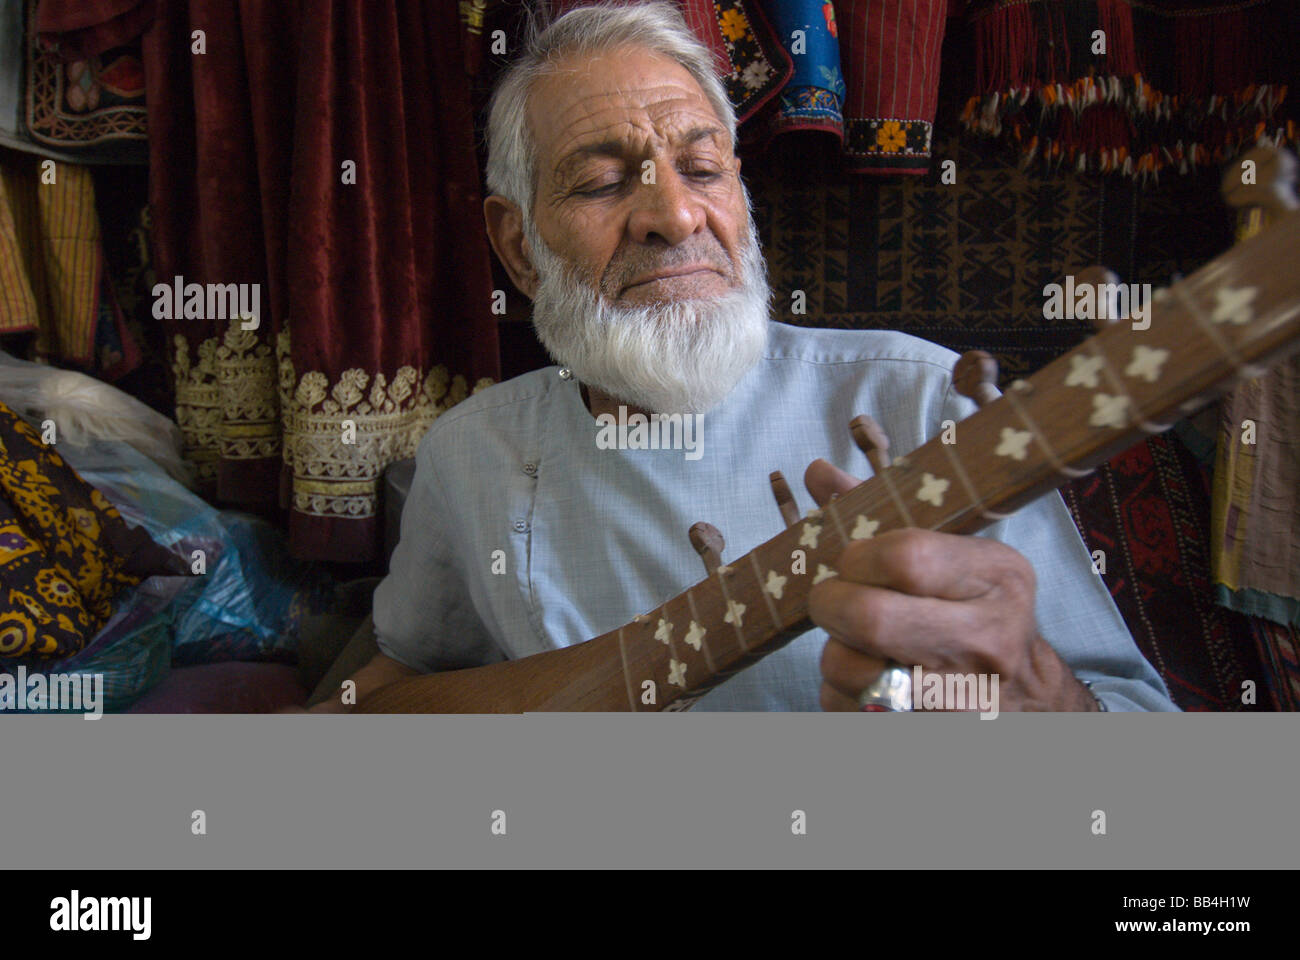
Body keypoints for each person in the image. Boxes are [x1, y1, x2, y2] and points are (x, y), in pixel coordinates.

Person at [312, 1, 1176, 713]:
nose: (675, 215)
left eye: (701, 168)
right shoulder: (470, 453)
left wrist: (1047, 707)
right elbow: (396, 677)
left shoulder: (924, 402)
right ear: (519, 250)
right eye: (606, 183)